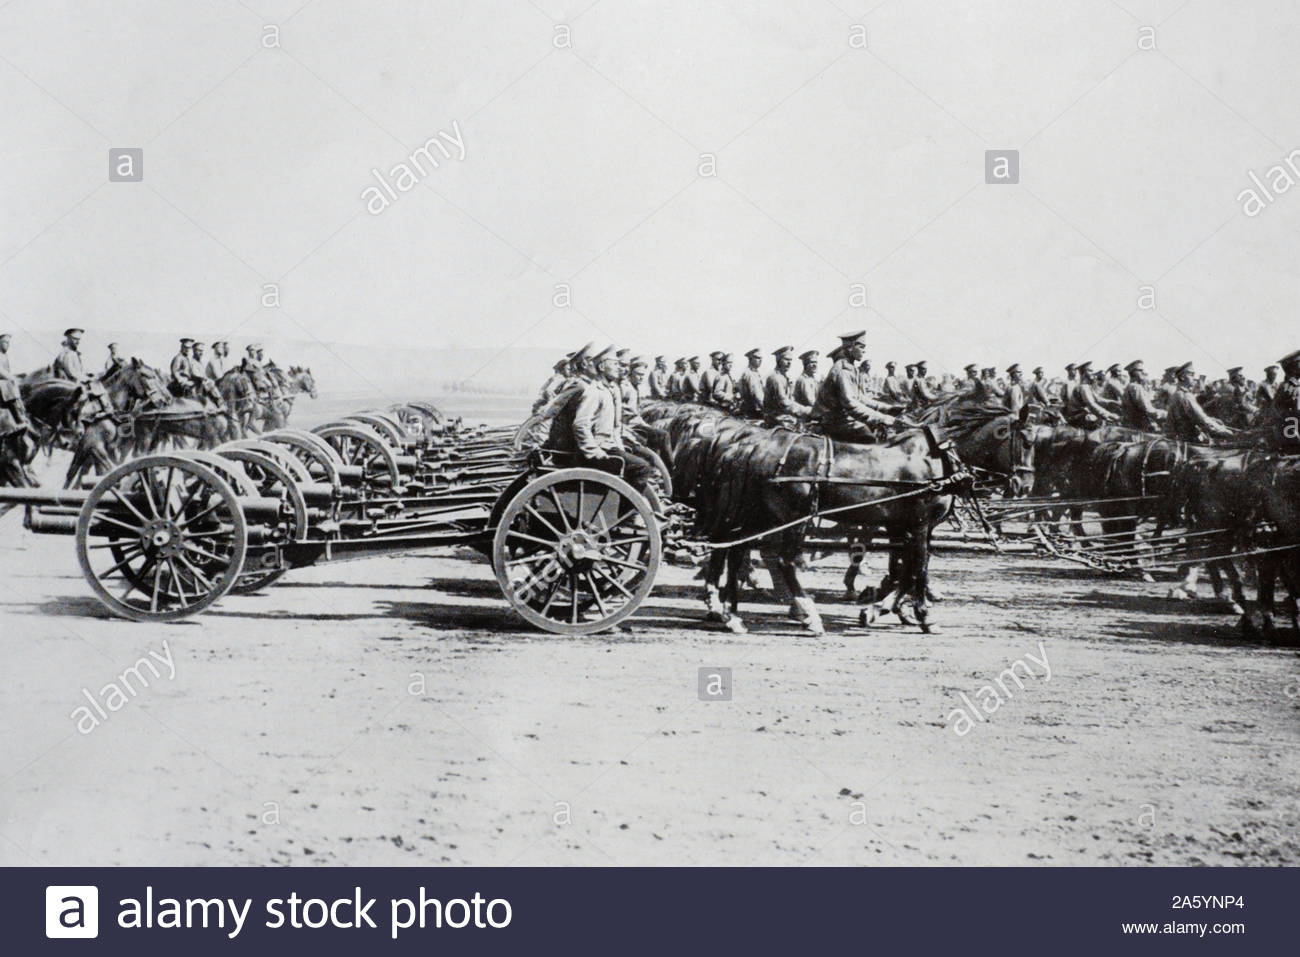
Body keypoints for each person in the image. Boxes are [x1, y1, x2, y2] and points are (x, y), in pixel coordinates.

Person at [546, 346, 655, 495]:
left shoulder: (608, 389)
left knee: (641, 460)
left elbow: (614, 427)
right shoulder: (593, 391)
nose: (619, 367)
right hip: (600, 448)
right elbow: (580, 424)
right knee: (642, 468)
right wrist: (593, 452)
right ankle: (628, 517)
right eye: (614, 363)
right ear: (602, 366)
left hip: (608, 445)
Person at [813, 331, 899, 441]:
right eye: (861, 347)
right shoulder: (842, 370)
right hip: (832, 421)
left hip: (841, 418)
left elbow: (860, 398)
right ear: (850, 348)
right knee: (868, 437)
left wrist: (888, 409)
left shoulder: (852, 369)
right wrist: (882, 418)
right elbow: (850, 403)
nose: (864, 350)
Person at [1165, 362, 1232, 443]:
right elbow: (1202, 420)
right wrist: (1224, 431)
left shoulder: (1178, 393)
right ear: (1182, 377)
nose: (1194, 378)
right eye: (1191, 374)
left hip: (1181, 439)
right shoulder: (1185, 396)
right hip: (1189, 441)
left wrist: (1212, 420)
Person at [763, 345, 812, 428]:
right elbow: (784, 403)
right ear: (778, 360)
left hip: (784, 418)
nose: (789, 363)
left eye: (790, 360)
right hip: (775, 420)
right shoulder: (775, 378)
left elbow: (791, 400)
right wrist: (807, 410)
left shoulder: (784, 377)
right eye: (786, 359)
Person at [1063, 361, 1117, 428]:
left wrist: (1115, 402)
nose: (1093, 373)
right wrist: (1108, 415)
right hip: (1078, 417)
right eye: (1090, 371)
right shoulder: (1083, 387)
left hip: (1083, 414)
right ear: (1084, 373)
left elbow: (1098, 399)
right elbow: (1091, 404)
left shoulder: (1087, 386)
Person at [0, 332, 31, 438]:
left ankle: (22, 413)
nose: (7, 345)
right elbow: (1, 372)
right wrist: (12, 378)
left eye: (8, 343)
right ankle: (18, 418)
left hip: (4, 381)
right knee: (6, 386)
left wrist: (17, 376)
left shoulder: (4, 355)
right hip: (2, 383)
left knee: (15, 383)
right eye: (5, 342)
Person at [1119, 359, 1163, 432]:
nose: (1143, 372)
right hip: (1138, 428)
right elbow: (1147, 408)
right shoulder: (1135, 387)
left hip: (1133, 426)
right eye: (1140, 370)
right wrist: (1164, 414)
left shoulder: (1132, 386)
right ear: (1133, 372)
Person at [1271, 350, 1300, 452]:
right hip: (1291, 434)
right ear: (1292, 368)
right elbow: (1278, 411)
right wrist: (1292, 431)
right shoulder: (1287, 387)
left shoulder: (1295, 385)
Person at [735, 348, 765, 418]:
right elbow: (757, 395)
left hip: (753, 410)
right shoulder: (749, 374)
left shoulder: (754, 373)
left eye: (761, 358)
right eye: (757, 358)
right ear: (750, 359)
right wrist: (767, 410)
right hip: (753, 412)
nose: (760, 360)